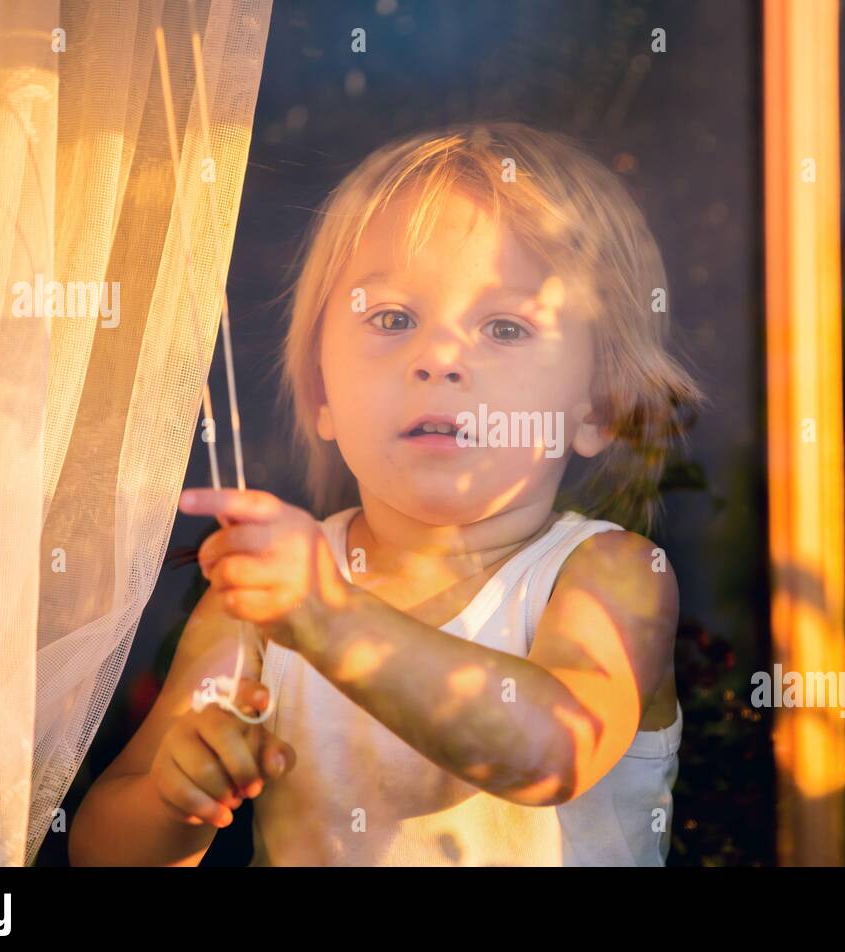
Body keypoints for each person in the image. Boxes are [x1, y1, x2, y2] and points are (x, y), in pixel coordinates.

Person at [70, 121, 705, 866]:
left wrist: (323, 613)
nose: (438, 357)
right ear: (322, 394)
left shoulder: (611, 575)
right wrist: (175, 798)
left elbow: (554, 752)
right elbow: (103, 851)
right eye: (392, 319)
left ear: (597, 406)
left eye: (504, 327)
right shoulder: (271, 594)